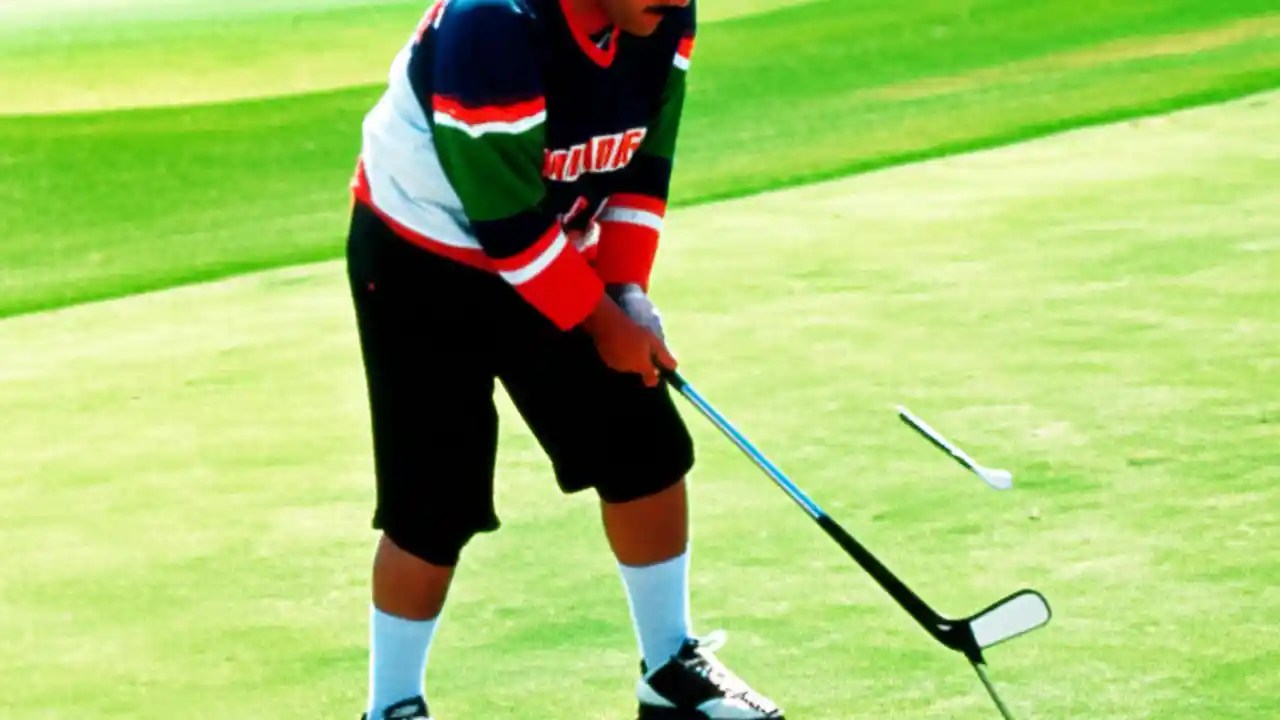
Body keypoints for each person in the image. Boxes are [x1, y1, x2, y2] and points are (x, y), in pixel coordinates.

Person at [345, 0, 783, 717]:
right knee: (433, 503)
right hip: (417, 259)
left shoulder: (661, 14)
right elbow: (503, 221)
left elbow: (644, 166)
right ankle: (392, 707)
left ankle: (670, 669)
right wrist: (602, 320)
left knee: (644, 448)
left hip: (544, 235)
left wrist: (627, 290)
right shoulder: (493, 23)